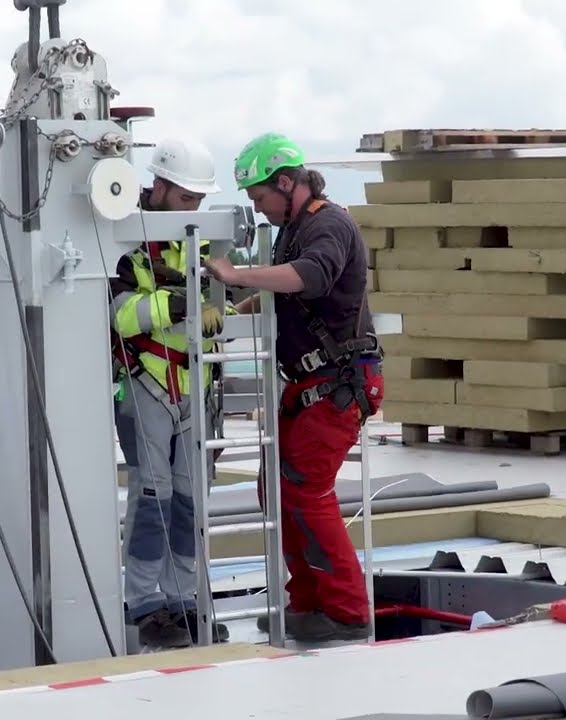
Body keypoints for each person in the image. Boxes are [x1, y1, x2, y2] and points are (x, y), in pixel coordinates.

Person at [204, 132, 384, 643]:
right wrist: (230, 317)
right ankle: (308, 602)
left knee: (306, 490)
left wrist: (237, 273)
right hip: (312, 384)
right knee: (277, 489)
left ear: (286, 183)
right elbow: (283, 296)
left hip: (337, 384)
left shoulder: (328, 225)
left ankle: (347, 613)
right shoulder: (292, 229)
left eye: (260, 198)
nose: (259, 211)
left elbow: (309, 277)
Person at [110, 136, 231, 649]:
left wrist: (216, 302)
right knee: (153, 498)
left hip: (194, 388)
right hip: (146, 385)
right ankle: (144, 606)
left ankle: (184, 603)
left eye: (199, 201)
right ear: (157, 186)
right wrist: (179, 306)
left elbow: (218, 299)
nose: (194, 209)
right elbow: (117, 313)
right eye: (186, 199)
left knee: (188, 503)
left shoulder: (197, 241)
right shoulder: (121, 240)